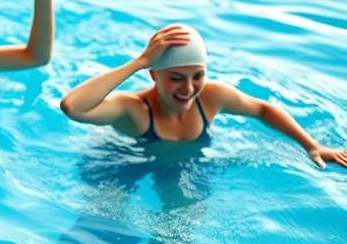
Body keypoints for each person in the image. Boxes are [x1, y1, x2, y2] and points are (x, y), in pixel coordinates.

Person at [59, 24, 347, 169]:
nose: (188, 88)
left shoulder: (211, 97)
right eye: (176, 78)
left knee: (175, 243)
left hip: (181, 164)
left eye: (197, 75)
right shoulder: (132, 108)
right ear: (154, 74)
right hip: (120, 161)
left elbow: (262, 109)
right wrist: (139, 61)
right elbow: (73, 106)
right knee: (106, 232)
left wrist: (311, 145)